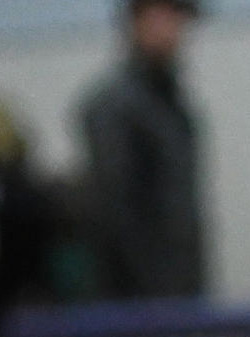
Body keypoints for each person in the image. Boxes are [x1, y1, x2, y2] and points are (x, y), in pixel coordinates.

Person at [78, 0, 209, 301]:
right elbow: (118, 216)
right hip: (139, 306)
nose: (175, 30)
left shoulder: (171, 105)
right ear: (139, 19)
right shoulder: (117, 110)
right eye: (167, 15)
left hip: (176, 297)